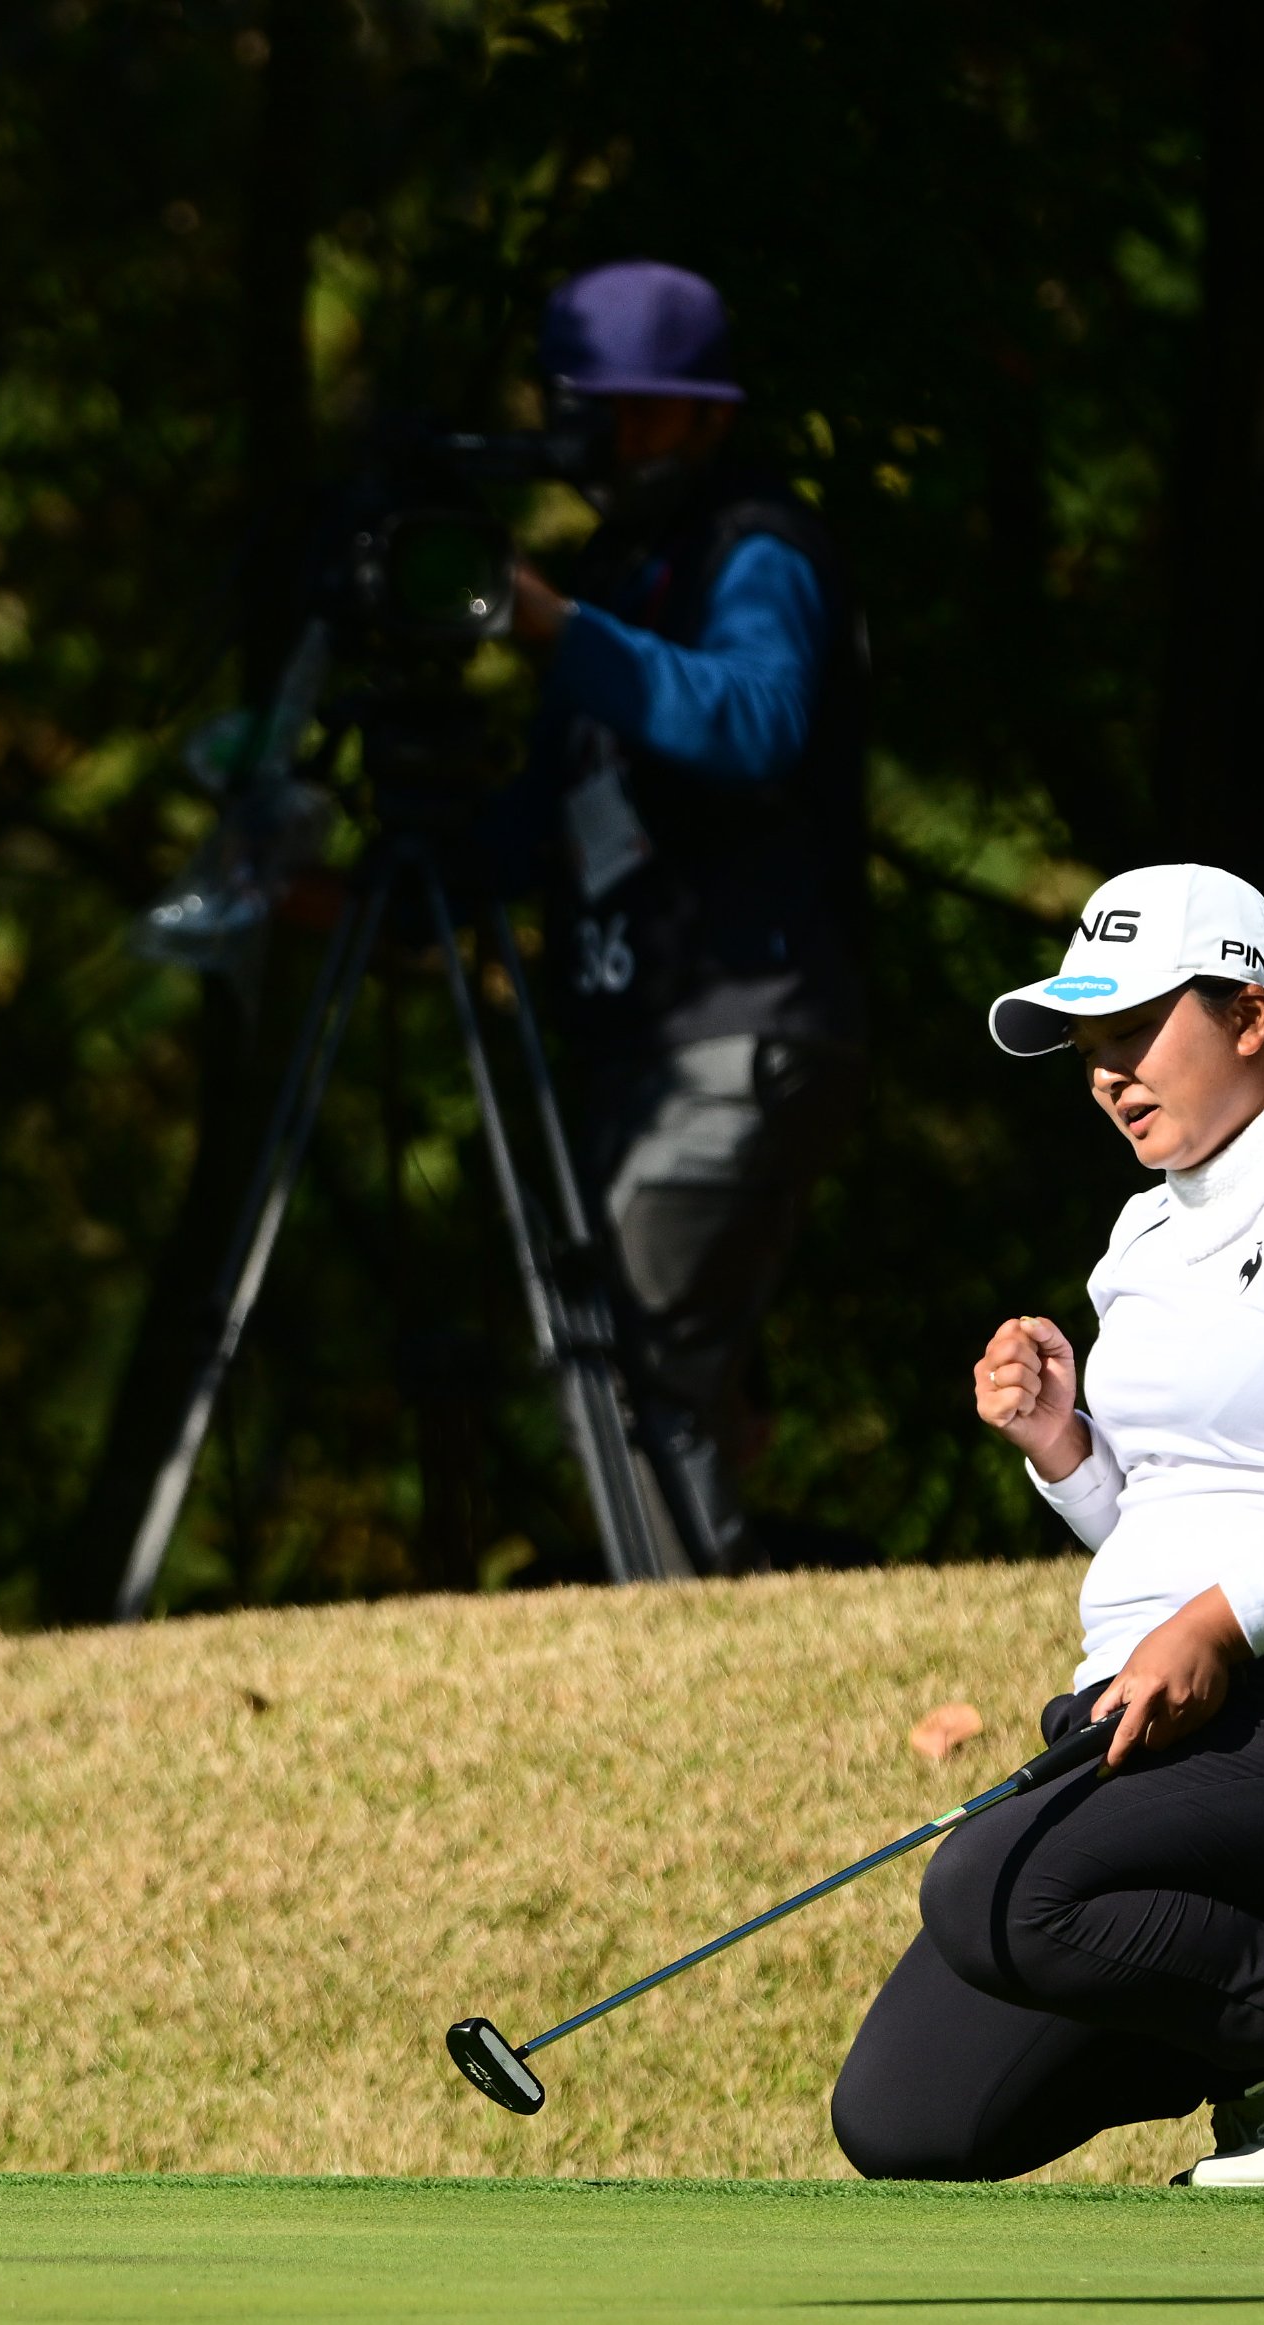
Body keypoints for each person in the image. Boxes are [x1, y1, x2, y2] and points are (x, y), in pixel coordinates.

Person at [827, 863, 1264, 2190]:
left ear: (1254, 1013)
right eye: (1090, 1048)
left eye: (1137, 1033)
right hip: (1184, 1716)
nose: (1109, 1075)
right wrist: (1066, 1453)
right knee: (912, 2122)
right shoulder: (1147, 1228)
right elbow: (1168, 1537)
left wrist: (1217, 1621)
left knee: (996, 1889)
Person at [487, 260, 870, 1575]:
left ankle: (683, 1636)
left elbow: (756, 722)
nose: (598, 439)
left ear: (704, 414)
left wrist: (560, 630)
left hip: (738, 1027)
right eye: (580, 407)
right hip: (637, 1041)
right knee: (637, 1358)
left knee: (634, 1357)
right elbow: (537, 823)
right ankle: (700, 1603)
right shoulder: (617, 567)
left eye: (629, 411)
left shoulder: (754, 548)